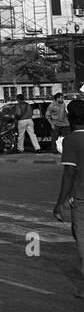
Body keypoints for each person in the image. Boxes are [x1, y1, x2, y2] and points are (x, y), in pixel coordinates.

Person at [53, 99, 84, 297]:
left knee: (82, 239)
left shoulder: (71, 140)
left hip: (81, 197)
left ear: (70, 118)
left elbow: (69, 175)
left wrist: (59, 203)